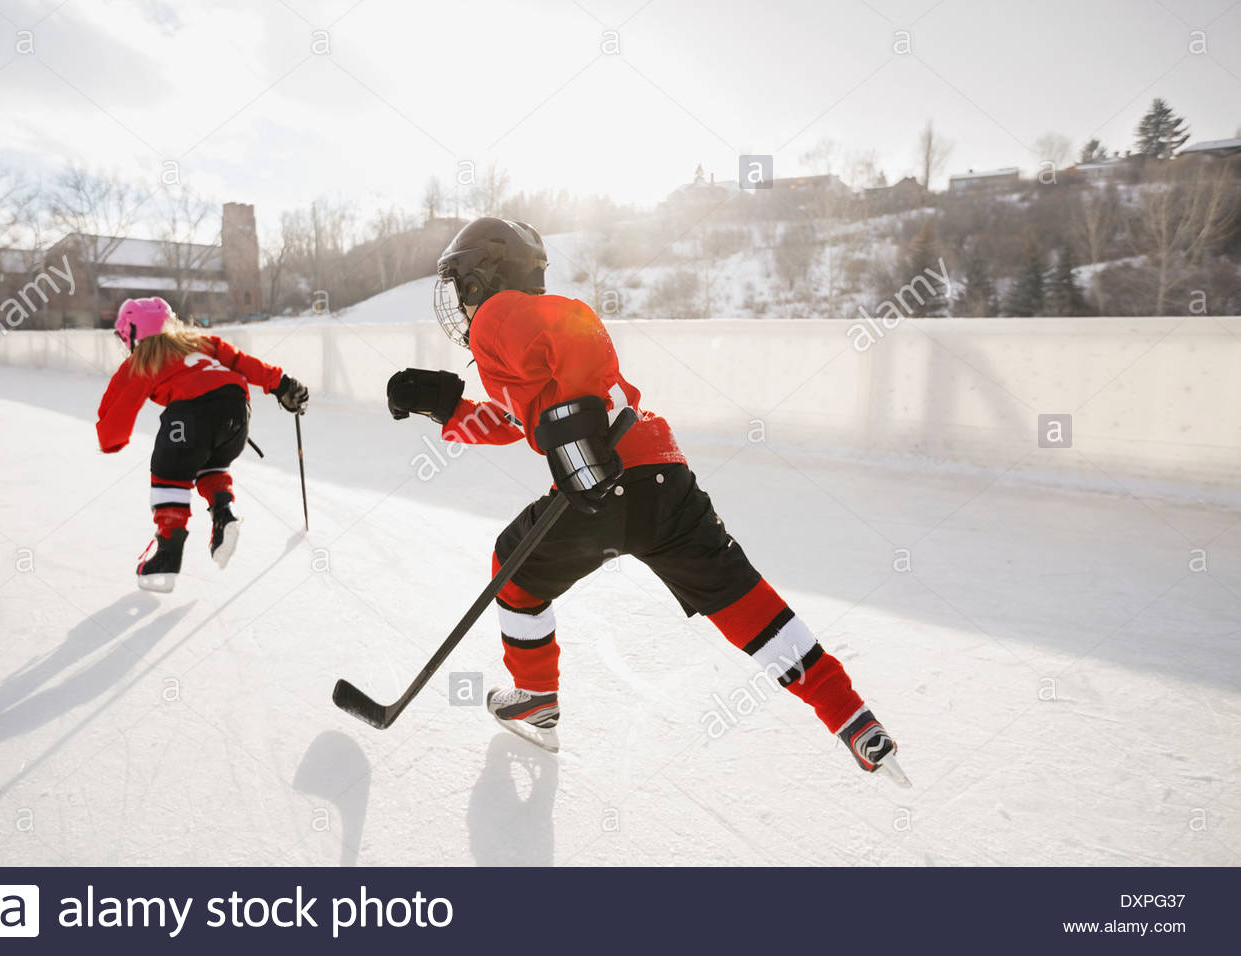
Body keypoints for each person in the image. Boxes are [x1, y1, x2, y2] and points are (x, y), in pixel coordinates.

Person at [386, 219, 906, 784]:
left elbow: (578, 326)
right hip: (663, 477)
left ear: (485, 276)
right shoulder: (517, 338)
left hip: (603, 493)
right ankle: (851, 718)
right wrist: (446, 405)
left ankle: (536, 695)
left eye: (462, 287)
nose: (462, 304)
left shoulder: (497, 316)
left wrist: (575, 431)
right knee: (742, 601)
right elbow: (519, 419)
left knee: (514, 572)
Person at [95, 296, 309, 592]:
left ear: (132, 334)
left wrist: (110, 440)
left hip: (192, 413)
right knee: (209, 464)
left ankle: (168, 557)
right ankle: (224, 514)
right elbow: (243, 363)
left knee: (169, 471)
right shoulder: (203, 343)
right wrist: (283, 385)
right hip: (237, 412)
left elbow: (118, 407)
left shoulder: (142, 361)